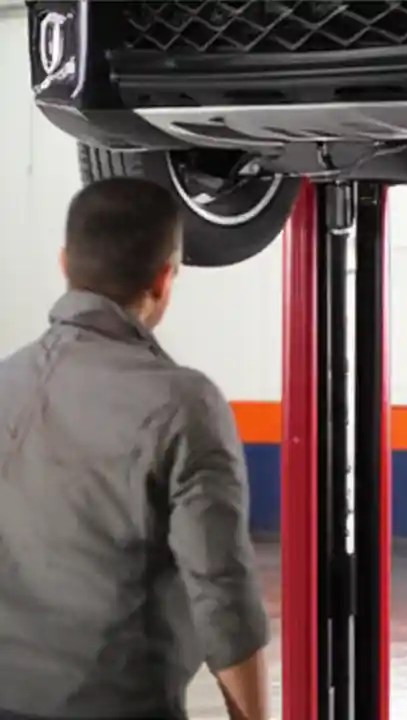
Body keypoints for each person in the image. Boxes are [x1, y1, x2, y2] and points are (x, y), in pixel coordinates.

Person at [0, 178, 271, 720]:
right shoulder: (183, 403)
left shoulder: (6, 382)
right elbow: (221, 591)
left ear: (64, 263)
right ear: (164, 279)